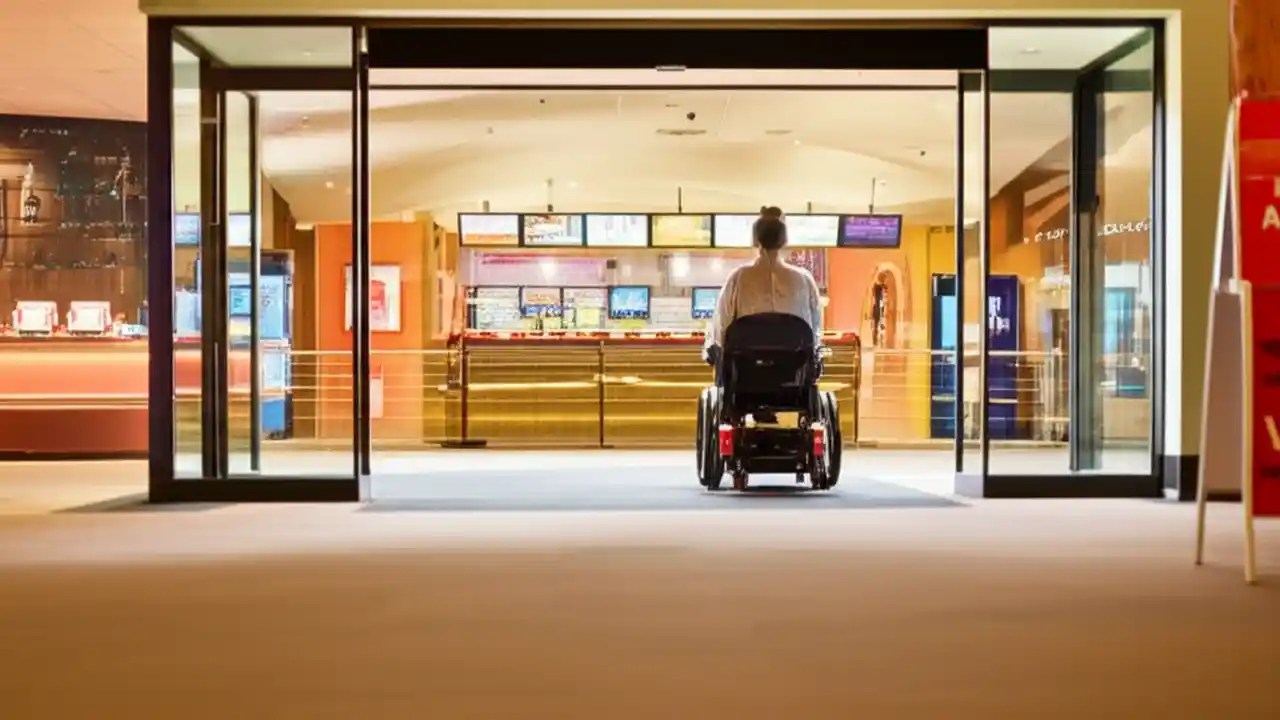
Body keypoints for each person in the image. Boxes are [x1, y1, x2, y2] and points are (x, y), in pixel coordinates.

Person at [703, 206, 824, 367]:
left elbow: (721, 331)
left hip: (745, 378)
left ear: (755, 240)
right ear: (784, 241)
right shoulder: (804, 280)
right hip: (795, 378)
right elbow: (815, 333)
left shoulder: (738, 279)